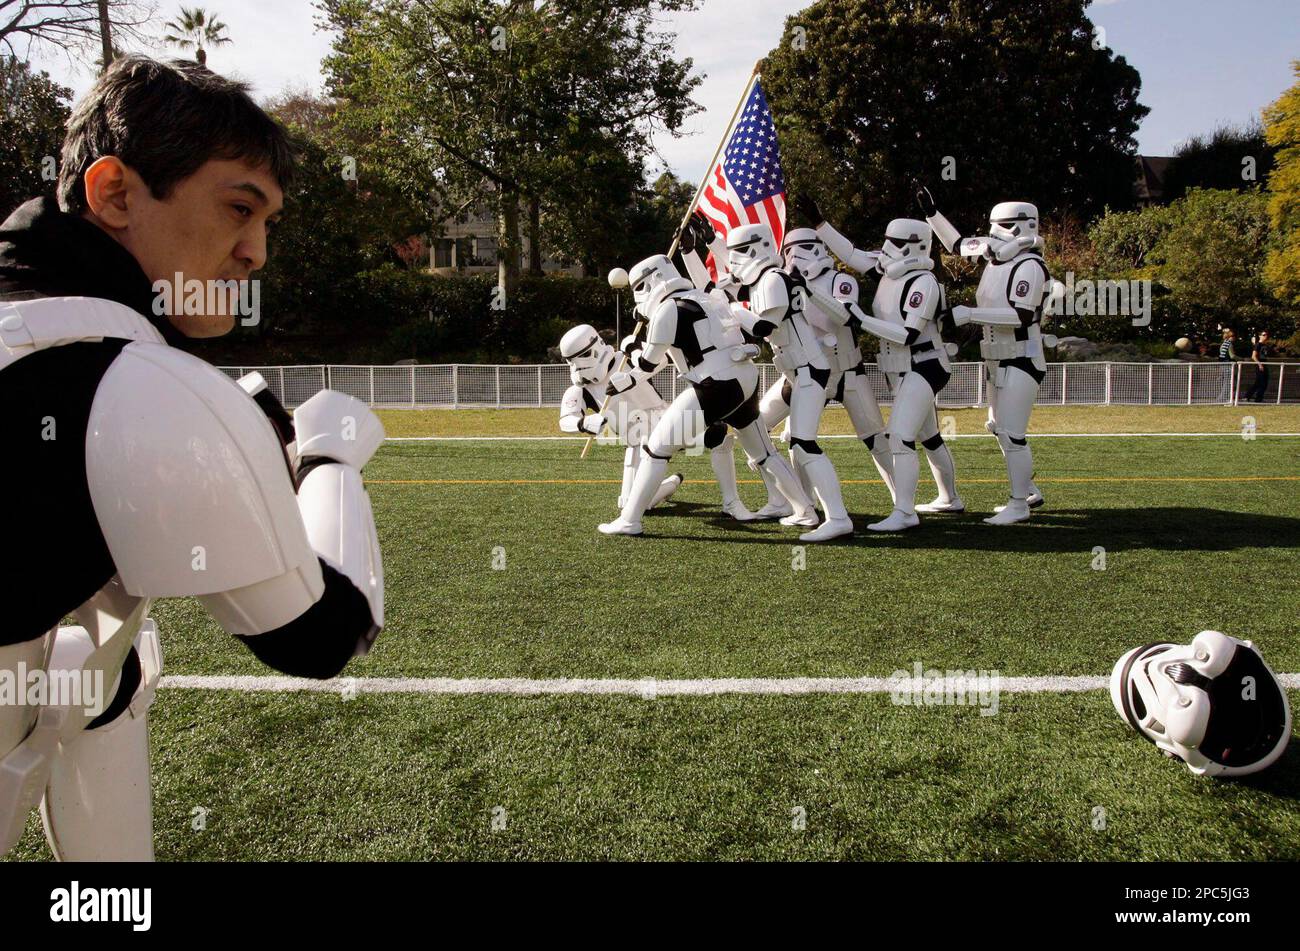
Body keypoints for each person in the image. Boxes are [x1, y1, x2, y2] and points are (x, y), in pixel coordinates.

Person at [1, 57, 385, 861]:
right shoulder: (139, 384)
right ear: (115, 193)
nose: (255, 255)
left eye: (268, 223)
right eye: (238, 208)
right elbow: (324, 636)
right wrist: (329, 458)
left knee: (102, 660)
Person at [597, 254, 816, 537]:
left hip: (715, 383)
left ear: (650, 282)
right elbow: (672, 352)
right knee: (764, 453)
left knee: (656, 448)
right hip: (744, 377)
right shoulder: (705, 298)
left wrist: (626, 376)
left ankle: (630, 520)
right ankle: (803, 510)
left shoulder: (668, 309)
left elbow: (651, 363)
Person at [919, 187, 1051, 525]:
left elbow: (1022, 315)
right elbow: (958, 244)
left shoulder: (1030, 266)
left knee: (1012, 432)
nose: (993, 234)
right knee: (998, 426)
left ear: (1024, 226)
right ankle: (1029, 488)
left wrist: (969, 314)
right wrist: (932, 213)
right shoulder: (996, 259)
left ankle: (1019, 503)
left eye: (1002, 226)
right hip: (995, 358)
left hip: (1022, 356)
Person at [557, 323, 755, 520]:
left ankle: (731, 501)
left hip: (665, 421)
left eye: (580, 358)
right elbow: (566, 418)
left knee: (719, 437)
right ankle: (671, 483)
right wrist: (583, 424)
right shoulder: (582, 389)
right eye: (571, 361)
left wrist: (634, 350)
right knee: (631, 505)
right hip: (637, 442)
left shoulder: (624, 358)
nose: (576, 366)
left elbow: (659, 361)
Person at [1247, 330, 1272, 403]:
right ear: (1260, 336)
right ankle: (1256, 398)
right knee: (1261, 383)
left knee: (1261, 383)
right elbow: (1253, 356)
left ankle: (1250, 397)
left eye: (1266, 335)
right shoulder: (1258, 345)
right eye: (1264, 335)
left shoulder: (1265, 346)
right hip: (1259, 366)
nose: (1265, 336)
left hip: (1264, 365)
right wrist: (1259, 364)